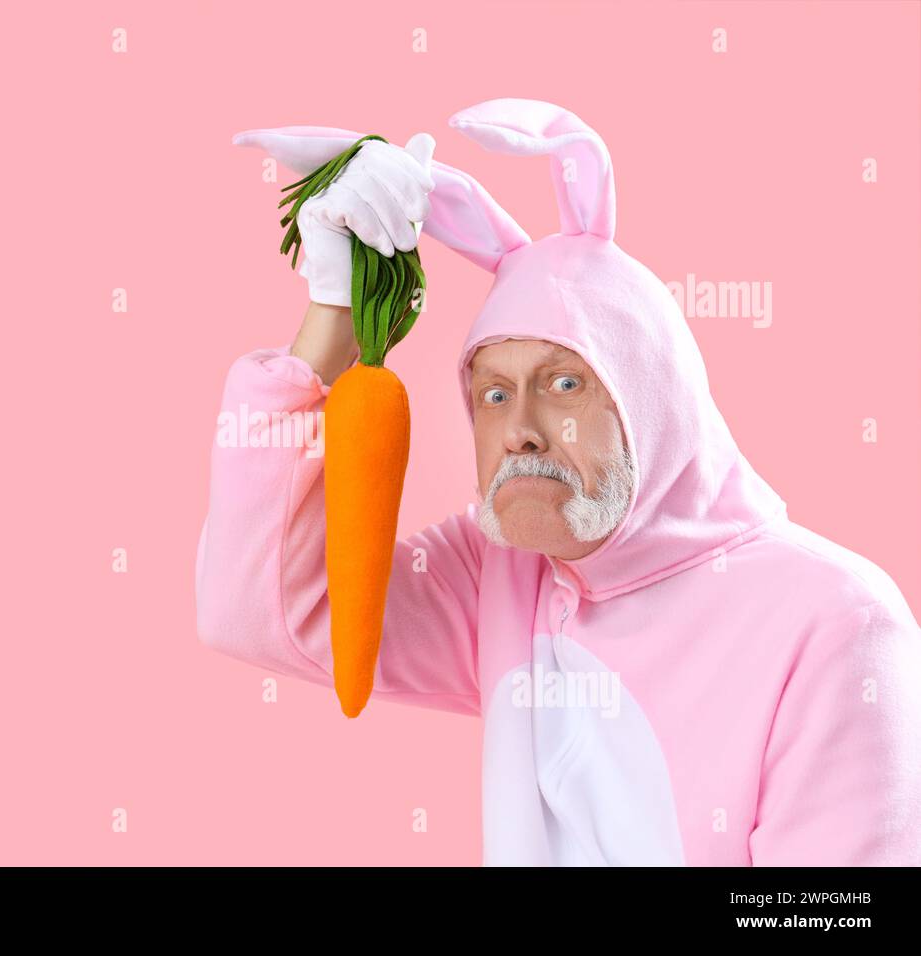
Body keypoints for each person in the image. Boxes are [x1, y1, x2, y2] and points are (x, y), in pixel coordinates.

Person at [196, 99, 921, 865]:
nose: (520, 431)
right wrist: (331, 318)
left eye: (565, 383)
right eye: (494, 394)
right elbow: (257, 610)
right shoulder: (502, 576)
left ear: (653, 398)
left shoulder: (837, 622)